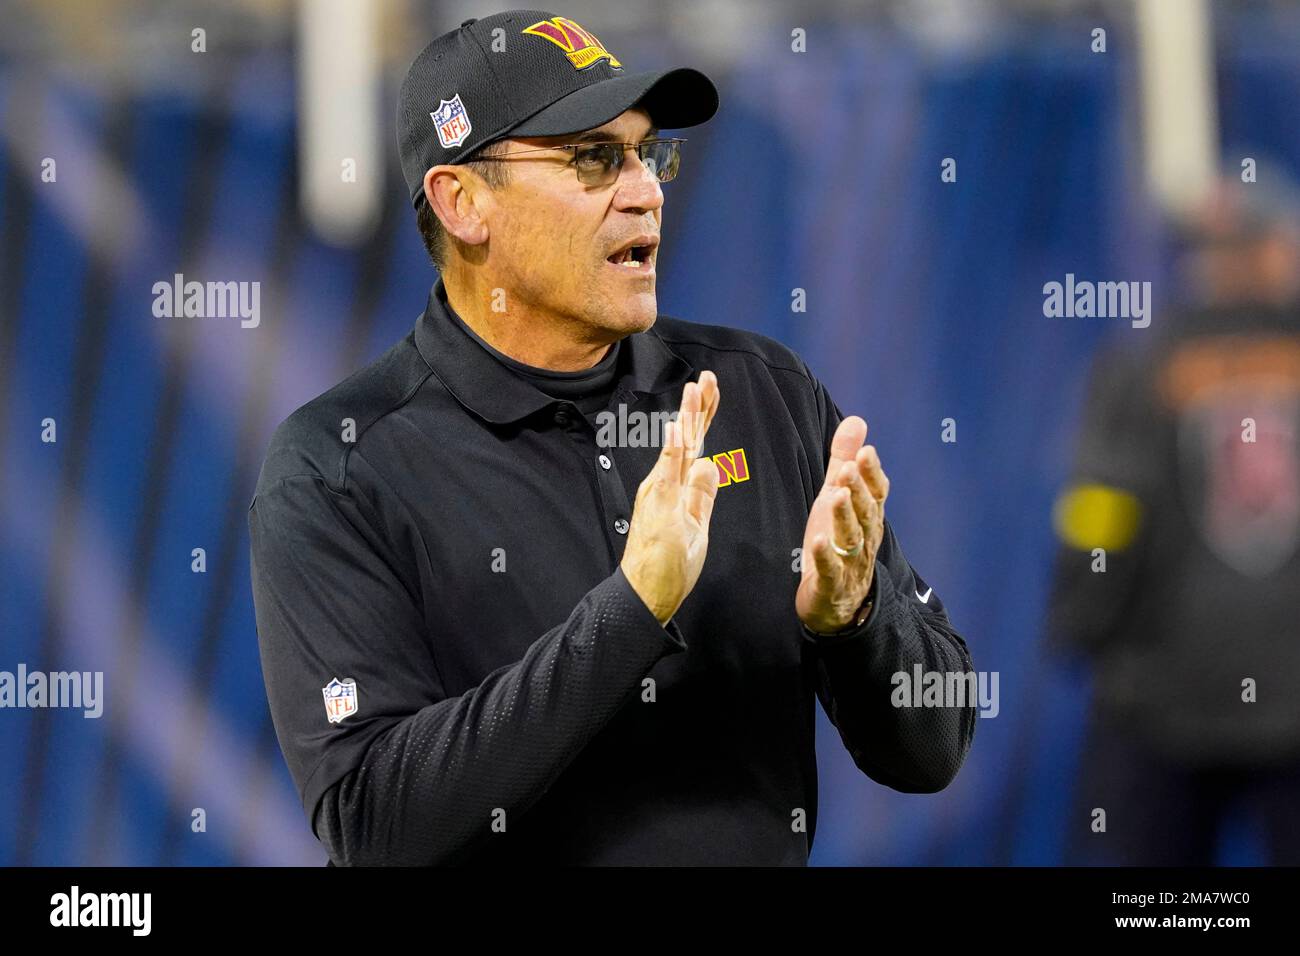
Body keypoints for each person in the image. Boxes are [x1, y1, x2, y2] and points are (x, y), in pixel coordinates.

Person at [249, 9, 976, 866]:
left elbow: (934, 747)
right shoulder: (338, 466)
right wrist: (630, 613)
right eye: (593, 159)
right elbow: (374, 821)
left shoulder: (760, 394)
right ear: (462, 201)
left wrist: (856, 619)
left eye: (648, 153)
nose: (646, 189)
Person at [1049, 167, 1300, 865]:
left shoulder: (1144, 365)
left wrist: (1083, 623)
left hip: (1166, 694)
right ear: (1282, 250)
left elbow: (1101, 515)